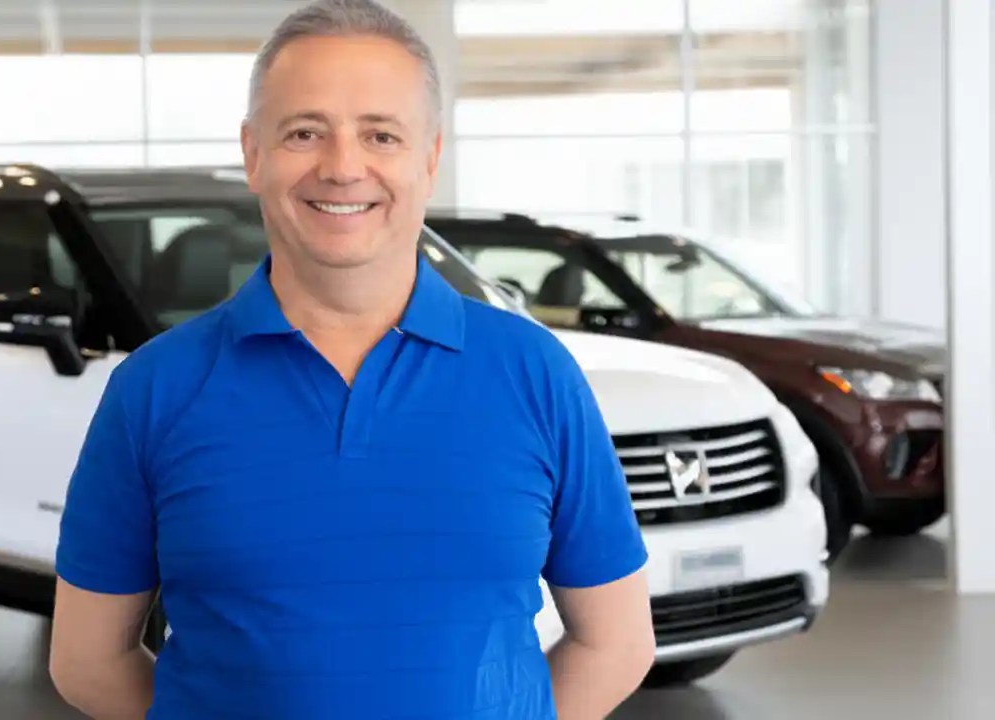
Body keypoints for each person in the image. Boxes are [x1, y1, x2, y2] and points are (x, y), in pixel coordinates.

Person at [47, 0, 656, 718]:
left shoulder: (533, 373)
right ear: (253, 154)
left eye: (381, 135)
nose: (343, 167)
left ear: (428, 159)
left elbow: (617, 643)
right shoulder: (154, 389)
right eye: (305, 132)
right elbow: (87, 660)